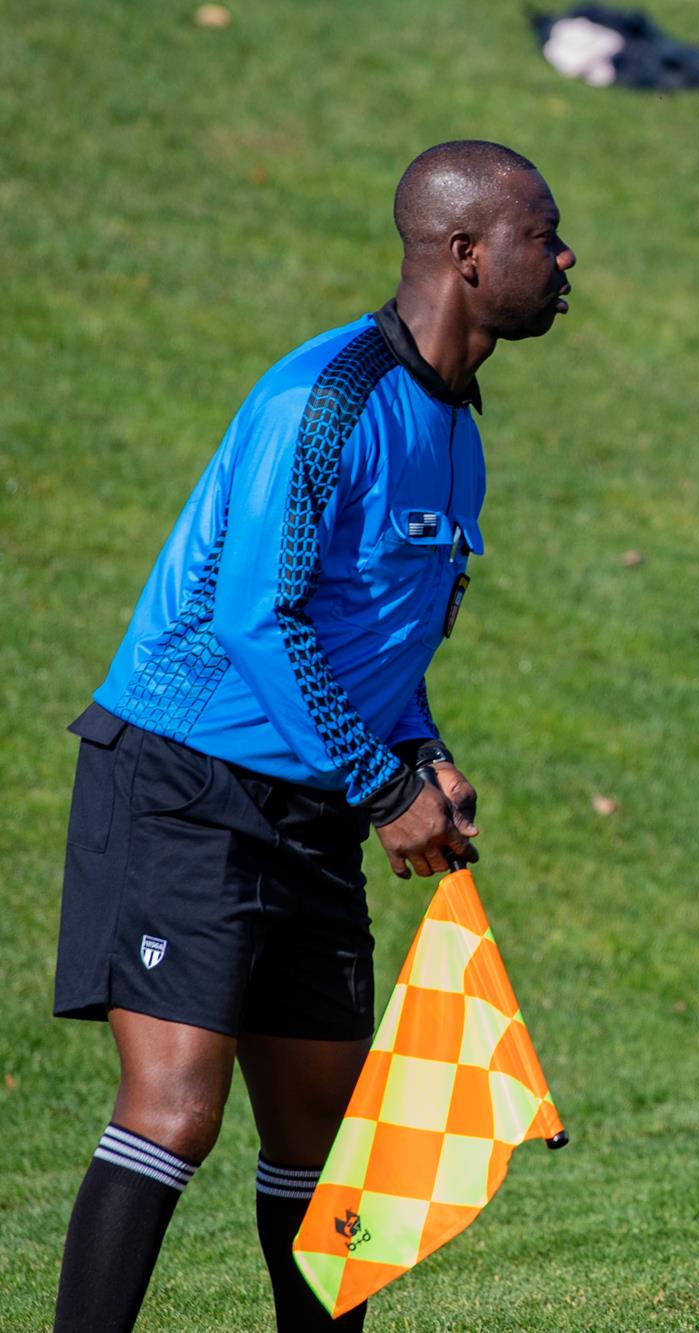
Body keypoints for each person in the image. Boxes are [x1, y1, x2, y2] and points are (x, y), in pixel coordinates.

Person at [50, 140, 575, 1332]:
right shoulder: (326, 397)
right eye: (541, 236)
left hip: (309, 804)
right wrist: (384, 787)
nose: (563, 257)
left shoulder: (459, 429)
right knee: (175, 1111)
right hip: (185, 778)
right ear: (464, 254)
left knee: (323, 1137)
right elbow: (257, 615)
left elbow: (379, 640)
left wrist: (420, 753)